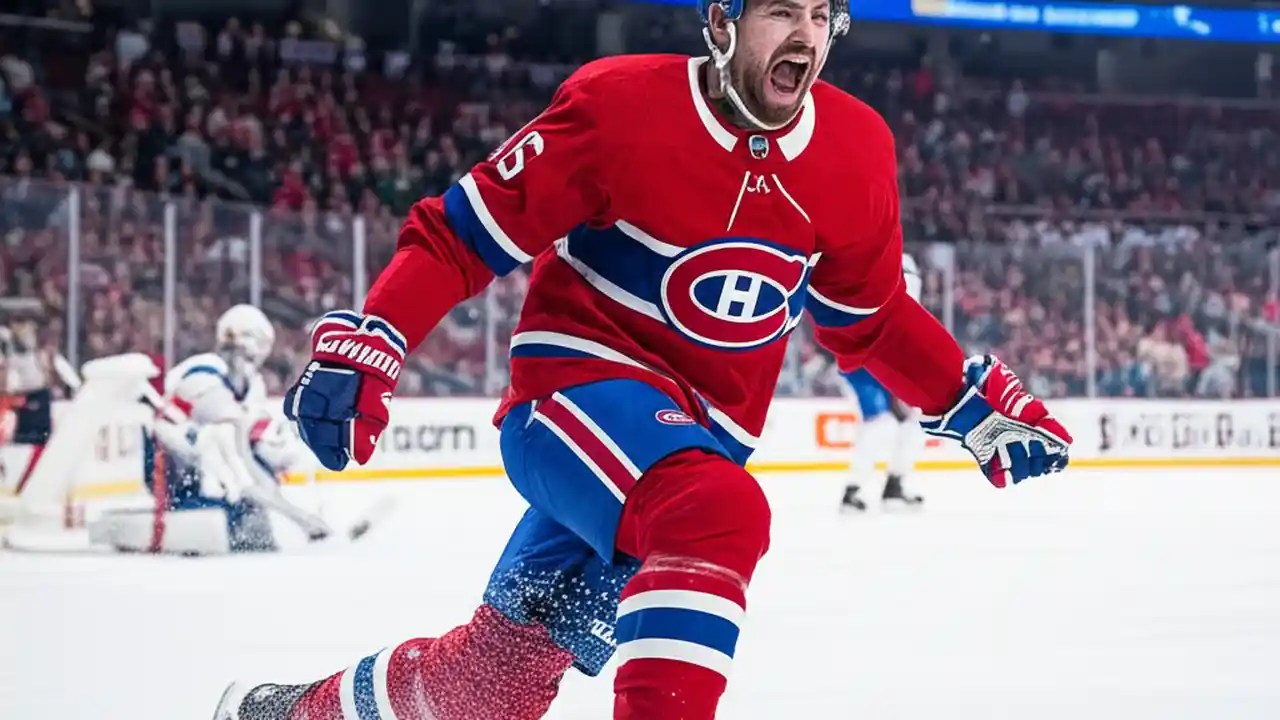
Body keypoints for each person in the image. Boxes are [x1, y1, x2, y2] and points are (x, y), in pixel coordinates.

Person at [217, 0, 1072, 717]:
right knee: (720, 514)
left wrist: (969, 402)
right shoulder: (619, 108)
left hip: (683, 452)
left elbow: (871, 317)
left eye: (822, 14)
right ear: (722, 22)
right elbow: (459, 236)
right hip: (575, 396)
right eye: (781, 11)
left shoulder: (856, 149)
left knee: (491, 686)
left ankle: (292, 713)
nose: (806, 36)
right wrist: (378, 337)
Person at [91, 305, 316, 554]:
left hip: (203, 466)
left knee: (248, 508)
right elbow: (221, 434)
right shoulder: (206, 370)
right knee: (223, 453)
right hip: (172, 467)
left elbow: (247, 435)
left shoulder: (251, 383)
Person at [839, 253, 926, 511]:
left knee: (910, 422)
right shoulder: (889, 264)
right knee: (881, 424)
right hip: (862, 362)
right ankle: (855, 490)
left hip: (879, 361)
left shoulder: (892, 261)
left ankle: (892, 486)